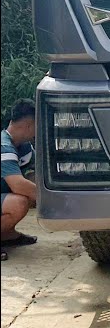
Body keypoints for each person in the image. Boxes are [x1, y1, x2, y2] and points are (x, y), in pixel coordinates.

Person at [2, 99, 39, 262]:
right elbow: (17, 184)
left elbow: (42, 170)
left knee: (30, 193)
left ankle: (8, 235)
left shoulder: (23, 147)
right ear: (29, 125)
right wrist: (55, 199)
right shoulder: (4, 146)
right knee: (19, 202)